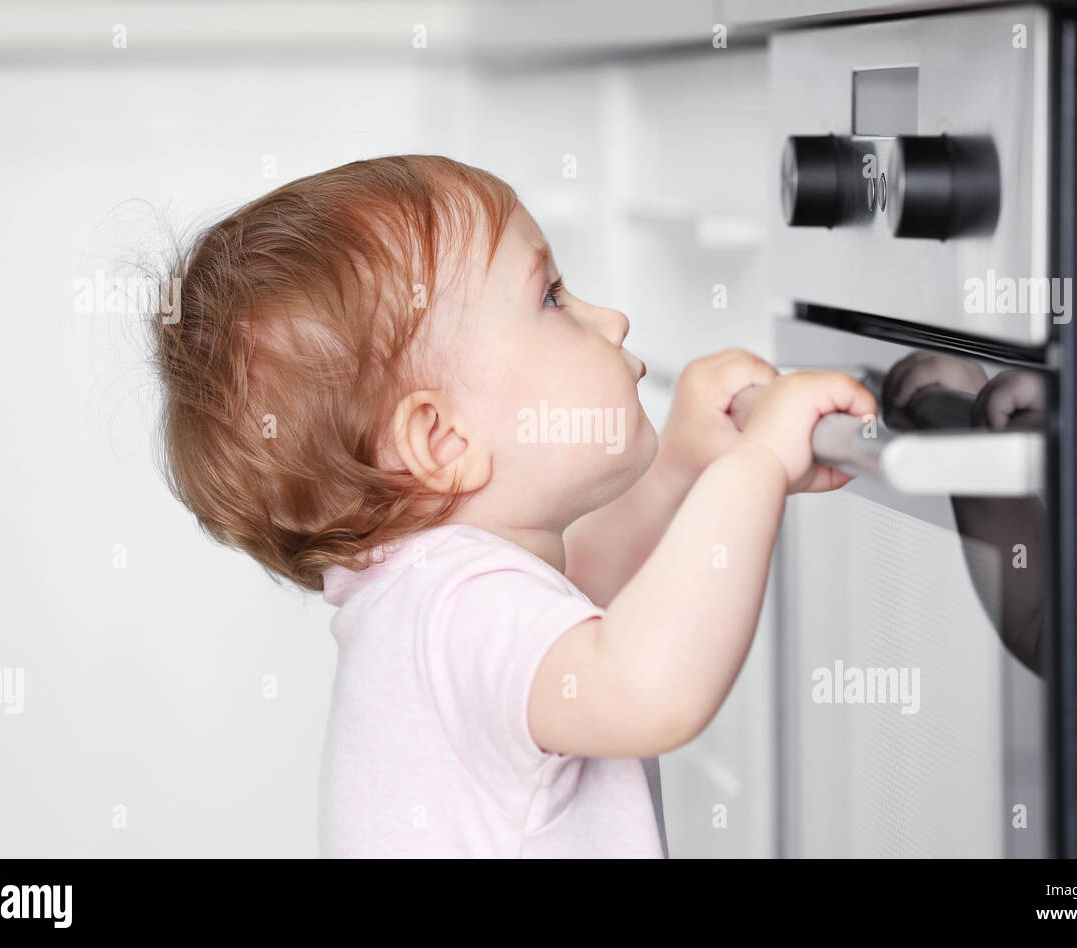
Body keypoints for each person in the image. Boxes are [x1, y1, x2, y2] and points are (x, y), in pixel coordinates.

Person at [149, 154, 875, 857]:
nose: (614, 320)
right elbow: (649, 686)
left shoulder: (426, 596)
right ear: (440, 438)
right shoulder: (458, 612)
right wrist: (759, 464)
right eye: (552, 298)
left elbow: (583, 595)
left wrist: (683, 464)